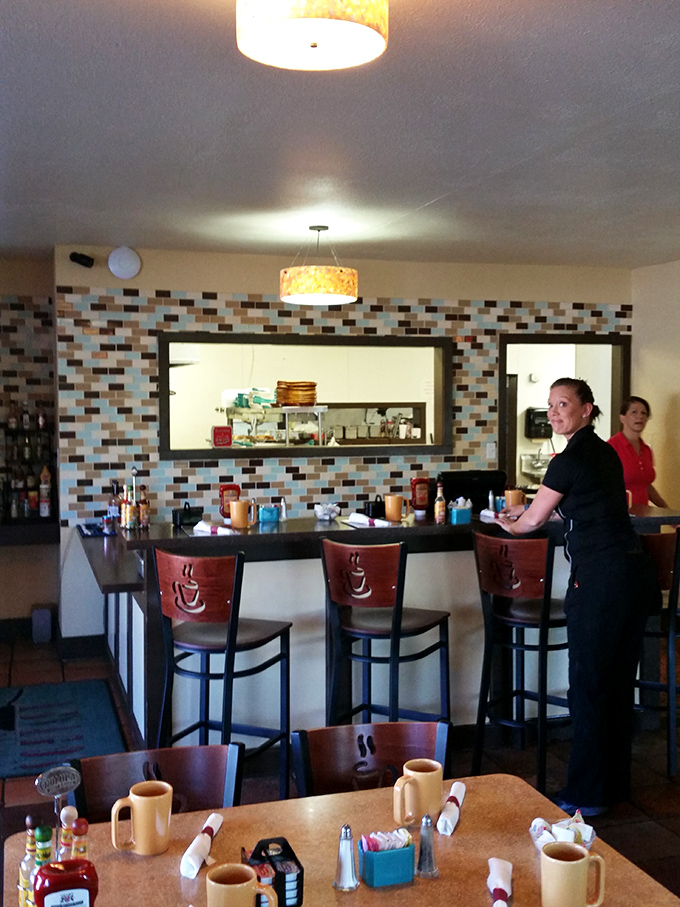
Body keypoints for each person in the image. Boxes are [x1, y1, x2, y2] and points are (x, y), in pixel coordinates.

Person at [497, 377, 658, 816]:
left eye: (562, 403)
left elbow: (530, 524)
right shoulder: (603, 451)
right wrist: (527, 510)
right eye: (550, 405)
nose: (553, 412)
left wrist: (504, 520)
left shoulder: (567, 459)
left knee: (588, 687)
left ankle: (584, 796)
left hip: (600, 582)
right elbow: (570, 503)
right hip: (632, 576)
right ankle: (613, 787)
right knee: (616, 685)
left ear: (587, 408)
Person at [608, 396, 669, 508]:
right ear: (622, 418)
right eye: (634, 412)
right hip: (617, 517)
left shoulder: (646, 450)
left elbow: (645, 486)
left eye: (644, 413)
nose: (639, 416)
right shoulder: (610, 447)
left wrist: (668, 512)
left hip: (643, 518)